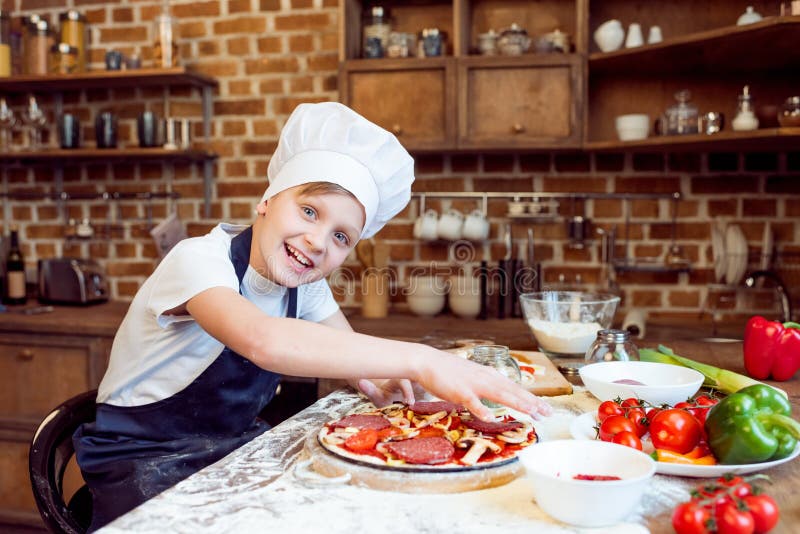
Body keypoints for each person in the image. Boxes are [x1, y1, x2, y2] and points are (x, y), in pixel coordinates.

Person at [73, 102, 551, 530]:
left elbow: (358, 364)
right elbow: (263, 340)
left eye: (342, 236)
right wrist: (423, 359)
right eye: (308, 211)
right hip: (141, 464)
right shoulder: (196, 259)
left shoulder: (306, 286)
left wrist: (401, 387)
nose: (318, 241)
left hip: (231, 452)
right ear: (267, 200)